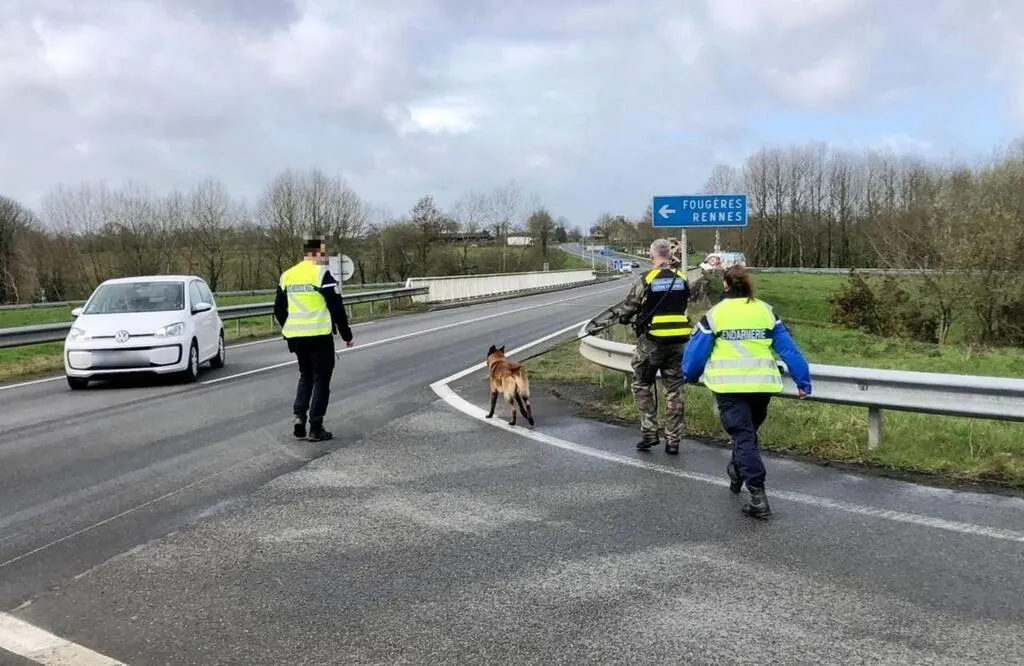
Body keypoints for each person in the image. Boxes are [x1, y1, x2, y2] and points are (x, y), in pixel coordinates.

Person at [681, 264, 812, 519]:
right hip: (761, 386)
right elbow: (789, 350)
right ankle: (737, 471)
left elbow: (696, 352)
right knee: (747, 436)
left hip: (729, 387)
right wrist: (803, 381)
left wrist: (689, 375)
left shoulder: (716, 314)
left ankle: (757, 496)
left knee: (743, 437)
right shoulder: (765, 311)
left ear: (726, 285)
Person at [609, 238, 692, 454]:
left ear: (651, 255)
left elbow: (628, 309)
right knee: (674, 390)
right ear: (670, 255)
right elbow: (683, 303)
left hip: (651, 343)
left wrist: (625, 318)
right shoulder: (682, 278)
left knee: (641, 384)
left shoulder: (646, 279)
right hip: (678, 343)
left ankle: (649, 432)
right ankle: (673, 440)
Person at [274, 238, 354, 442]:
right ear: (317, 255)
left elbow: (278, 309)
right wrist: (347, 335)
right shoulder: (321, 274)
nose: (325, 259)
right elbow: (337, 307)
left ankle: (299, 416)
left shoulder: (288, 276)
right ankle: (315, 427)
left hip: (297, 337)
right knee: (321, 378)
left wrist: (289, 328)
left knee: (305, 375)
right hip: (319, 335)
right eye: (323, 255)